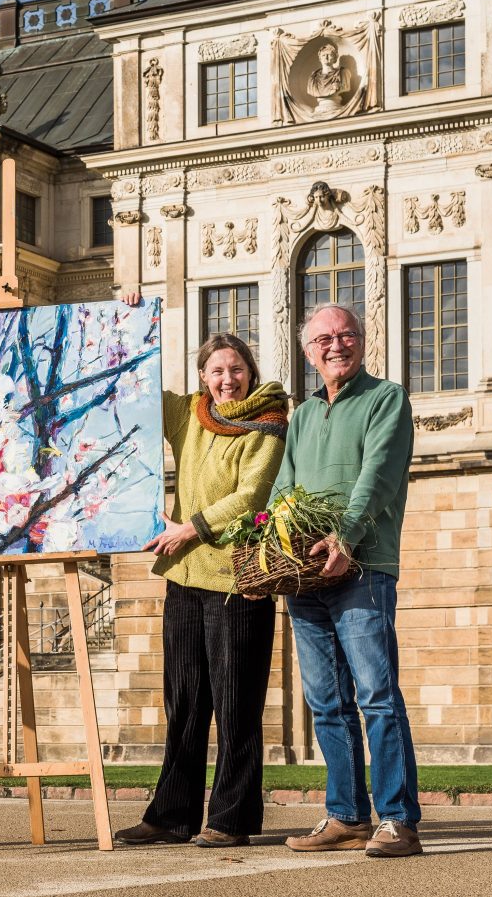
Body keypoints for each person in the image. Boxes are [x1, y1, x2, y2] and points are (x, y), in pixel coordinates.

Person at [113, 295, 288, 848]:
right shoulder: (189, 415)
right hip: (185, 577)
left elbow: (250, 495)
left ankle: (232, 819)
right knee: (185, 701)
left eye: (236, 369)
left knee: (236, 705)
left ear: (250, 372)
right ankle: (172, 815)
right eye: (216, 371)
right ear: (203, 377)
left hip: (239, 579)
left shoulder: (268, 422)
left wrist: (188, 528)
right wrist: (131, 318)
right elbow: (133, 385)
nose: (227, 379)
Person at [274, 303, 421, 858]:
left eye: (346, 335)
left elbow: (378, 475)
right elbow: (285, 487)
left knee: (377, 697)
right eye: (324, 340)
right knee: (326, 702)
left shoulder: (386, 398)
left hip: (363, 566)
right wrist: (274, 541)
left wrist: (345, 537)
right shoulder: (305, 415)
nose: (336, 345)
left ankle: (399, 819)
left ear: (362, 341)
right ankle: (346, 816)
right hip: (307, 574)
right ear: (308, 352)